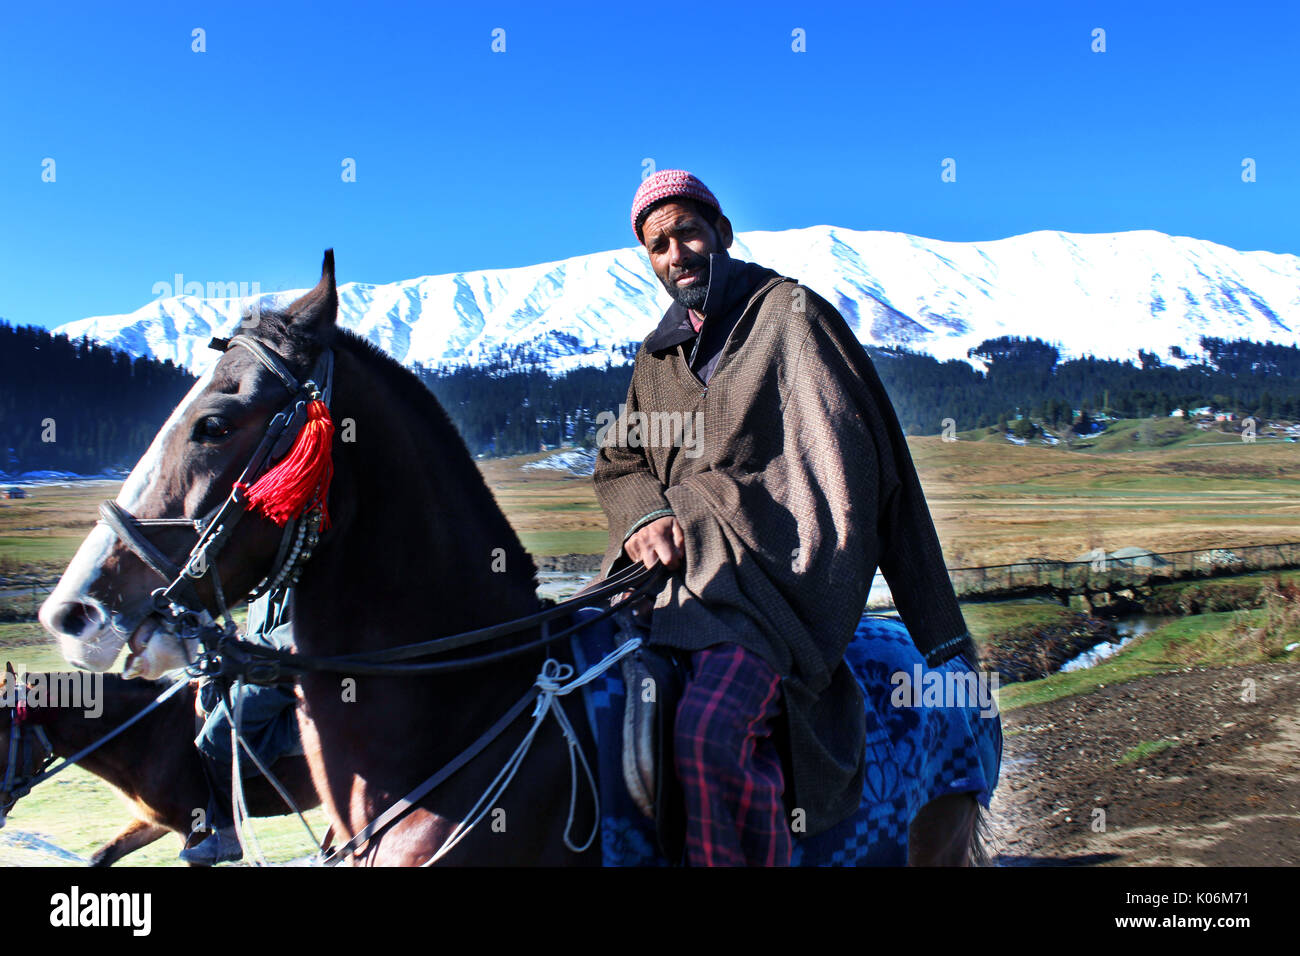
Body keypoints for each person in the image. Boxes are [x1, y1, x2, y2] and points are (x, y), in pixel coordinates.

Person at [592, 169, 977, 866]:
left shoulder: (789, 318)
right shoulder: (657, 358)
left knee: (710, 736)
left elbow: (875, 468)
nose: (675, 253)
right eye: (658, 245)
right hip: (669, 587)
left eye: (686, 233)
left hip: (766, 592)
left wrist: (941, 634)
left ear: (721, 234)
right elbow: (620, 461)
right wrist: (645, 513)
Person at [178, 587, 301, 865]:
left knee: (215, 738)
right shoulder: (267, 579)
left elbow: (302, 635)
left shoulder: (304, 566)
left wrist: (238, 647)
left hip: (285, 676)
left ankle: (228, 838)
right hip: (258, 667)